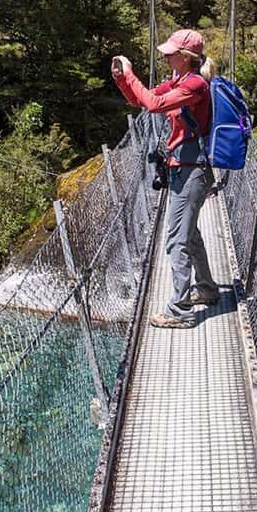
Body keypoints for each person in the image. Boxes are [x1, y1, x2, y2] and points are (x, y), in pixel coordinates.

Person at [112, 29, 220, 328]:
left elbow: (155, 105)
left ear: (185, 57)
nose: (166, 56)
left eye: (171, 53)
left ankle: (179, 311)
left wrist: (131, 73)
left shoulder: (195, 84)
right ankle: (207, 289)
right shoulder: (179, 81)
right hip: (182, 168)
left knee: (176, 240)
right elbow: (142, 100)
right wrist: (122, 79)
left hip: (192, 170)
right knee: (189, 233)